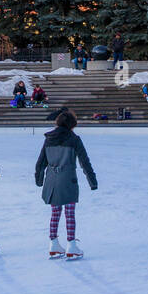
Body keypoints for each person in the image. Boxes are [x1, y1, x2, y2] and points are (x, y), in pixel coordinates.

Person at [34, 108, 97, 259]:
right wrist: (92, 181)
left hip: (52, 180)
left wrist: (39, 180)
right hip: (68, 179)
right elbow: (84, 162)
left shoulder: (49, 139)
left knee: (55, 212)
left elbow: (40, 162)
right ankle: (71, 245)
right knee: (69, 213)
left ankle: (53, 243)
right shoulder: (74, 139)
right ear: (72, 124)